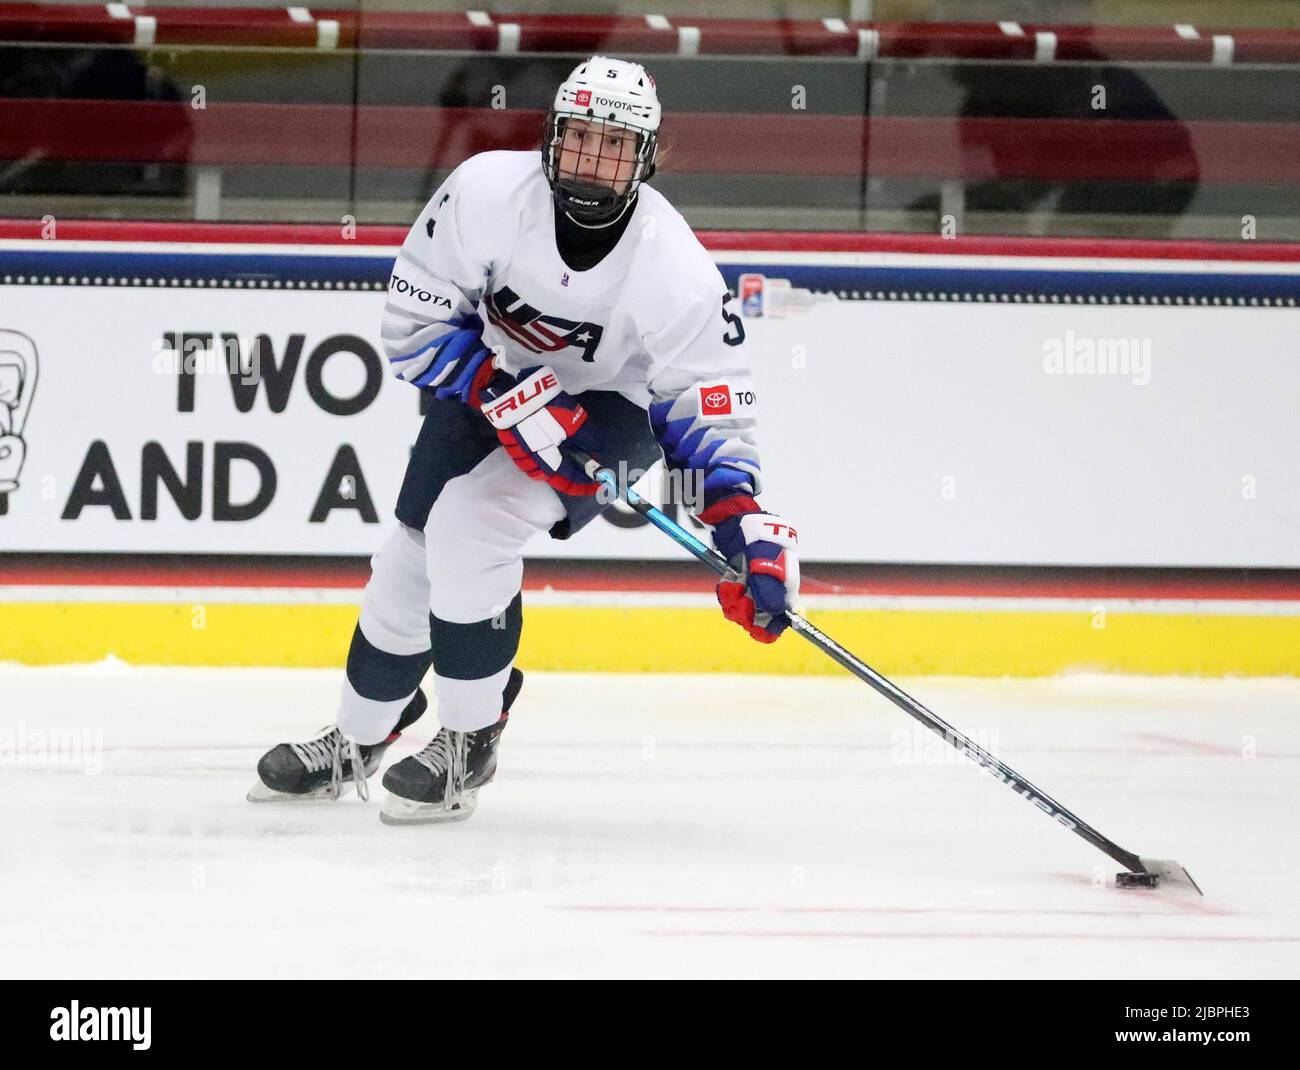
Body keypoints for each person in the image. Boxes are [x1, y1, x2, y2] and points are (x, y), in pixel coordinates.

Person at [248, 56, 800, 824]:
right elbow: (413, 330)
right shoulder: (483, 194)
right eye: (580, 137)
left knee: (472, 524)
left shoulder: (676, 268)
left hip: (611, 414)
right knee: (409, 553)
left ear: (647, 157)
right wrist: (507, 395)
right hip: (486, 377)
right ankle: (358, 738)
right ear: (551, 137)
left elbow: (704, 406)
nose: (593, 159)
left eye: (616, 144)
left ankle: (469, 741)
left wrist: (743, 526)